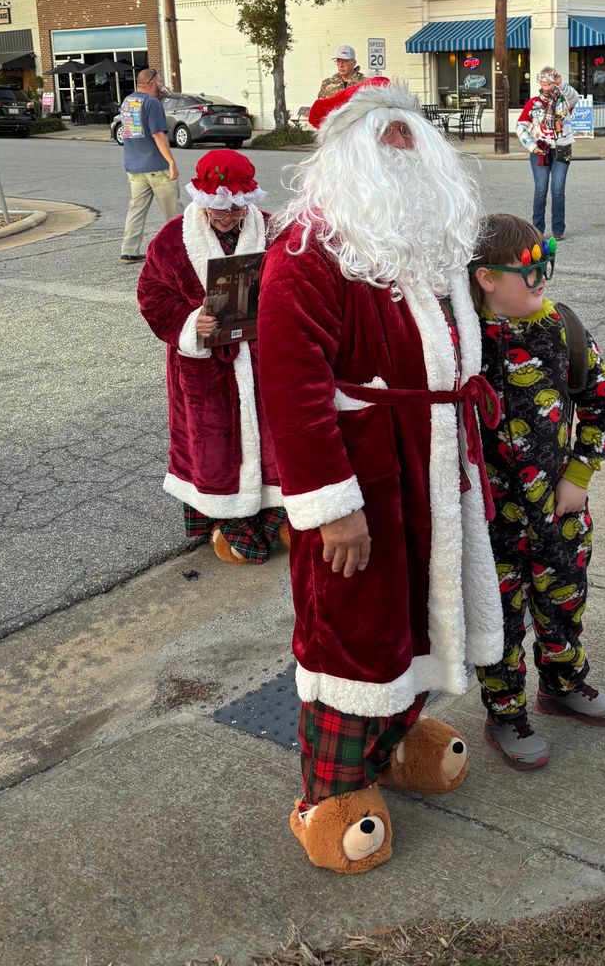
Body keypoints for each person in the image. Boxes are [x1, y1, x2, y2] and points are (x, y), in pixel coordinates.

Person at [257, 76, 503, 876]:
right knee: (352, 631)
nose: (401, 146)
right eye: (382, 135)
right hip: (363, 479)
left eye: (410, 133)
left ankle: (395, 746)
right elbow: (291, 390)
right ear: (343, 155)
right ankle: (326, 792)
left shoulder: (430, 244)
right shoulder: (308, 252)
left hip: (434, 465)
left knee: (418, 620)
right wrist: (332, 507)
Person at [467, 214, 605, 769]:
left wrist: (579, 476)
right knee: (499, 622)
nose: (542, 281)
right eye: (529, 272)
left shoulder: (564, 328)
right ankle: (505, 714)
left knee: (563, 605)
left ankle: (561, 684)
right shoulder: (460, 340)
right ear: (485, 278)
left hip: (559, 513)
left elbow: (603, 404)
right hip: (490, 520)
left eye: (545, 267)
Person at [136, 150, 286, 565]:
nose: (228, 215)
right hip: (203, 368)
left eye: (237, 206)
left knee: (273, 439)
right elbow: (152, 298)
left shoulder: (274, 231)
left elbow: (298, 287)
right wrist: (189, 326)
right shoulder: (170, 241)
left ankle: (273, 512)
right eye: (219, 206)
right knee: (213, 443)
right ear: (202, 199)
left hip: (263, 359)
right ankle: (226, 519)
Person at [118, 67, 179, 262]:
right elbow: (157, 134)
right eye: (160, 81)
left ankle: (129, 250)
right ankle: (179, 250)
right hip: (155, 166)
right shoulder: (152, 103)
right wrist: (171, 162)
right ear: (151, 83)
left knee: (136, 209)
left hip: (134, 167)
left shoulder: (127, 102)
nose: (162, 84)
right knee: (173, 211)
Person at [516, 67, 581, 241]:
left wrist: (561, 82)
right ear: (539, 82)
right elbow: (520, 126)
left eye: (550, 79)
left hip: (562, 148)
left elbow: (575, 97)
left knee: (558, 190)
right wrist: (530, 146)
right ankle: (537, 230)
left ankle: (558, 230)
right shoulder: (533, 103)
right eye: (542, 79)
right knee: (540, 190)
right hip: (540, 150)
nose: (546, 82)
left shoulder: (564, 101)